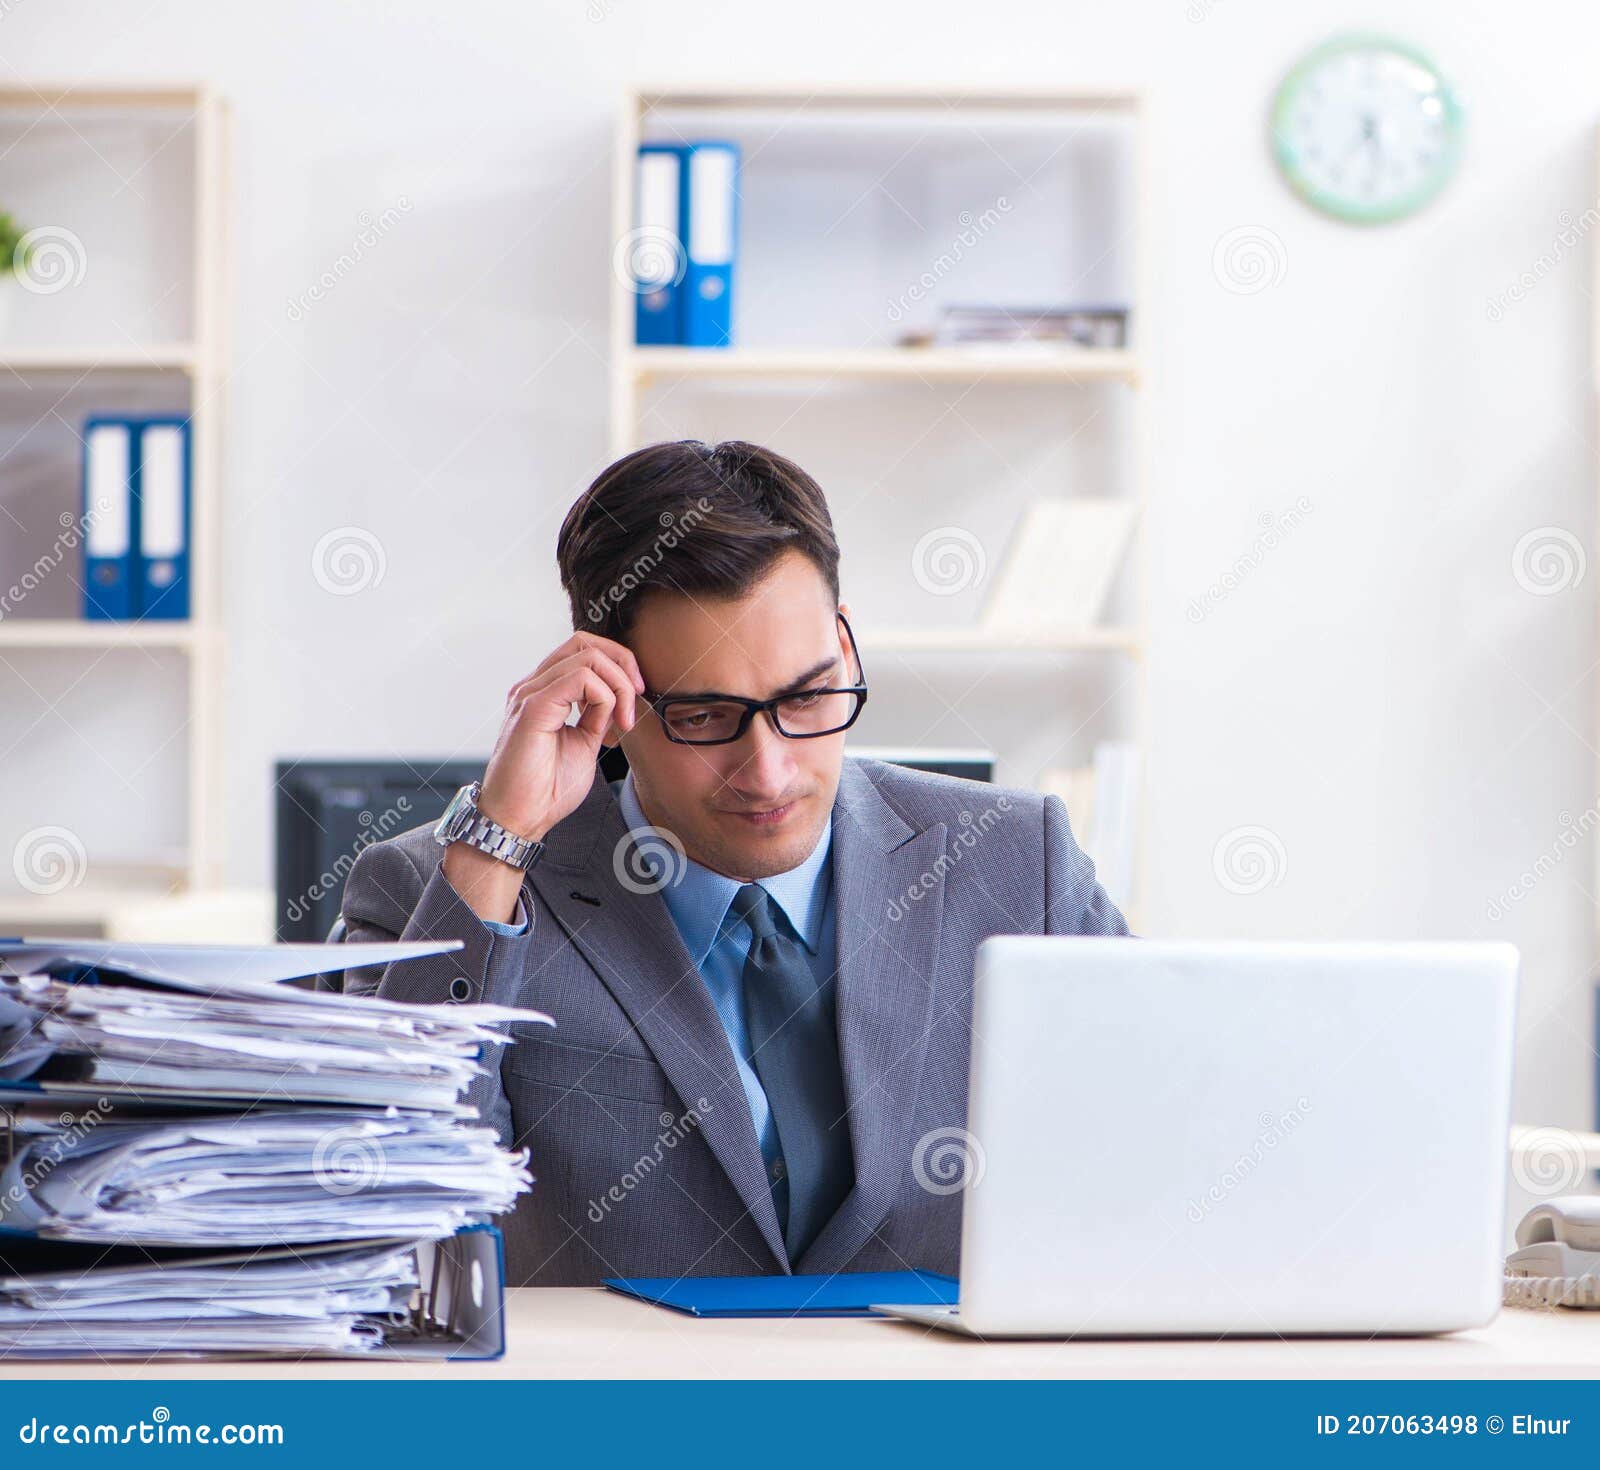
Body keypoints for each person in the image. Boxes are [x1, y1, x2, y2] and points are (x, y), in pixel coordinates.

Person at [338, 439, 1130, 1285]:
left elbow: (1161, 1153)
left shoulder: (1021, 865)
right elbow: (381, 1208)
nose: (770, 772)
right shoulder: (435, 891)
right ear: (608, 701)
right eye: (709, 716)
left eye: (806, 697)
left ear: (848, 647)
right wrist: (498, 842)